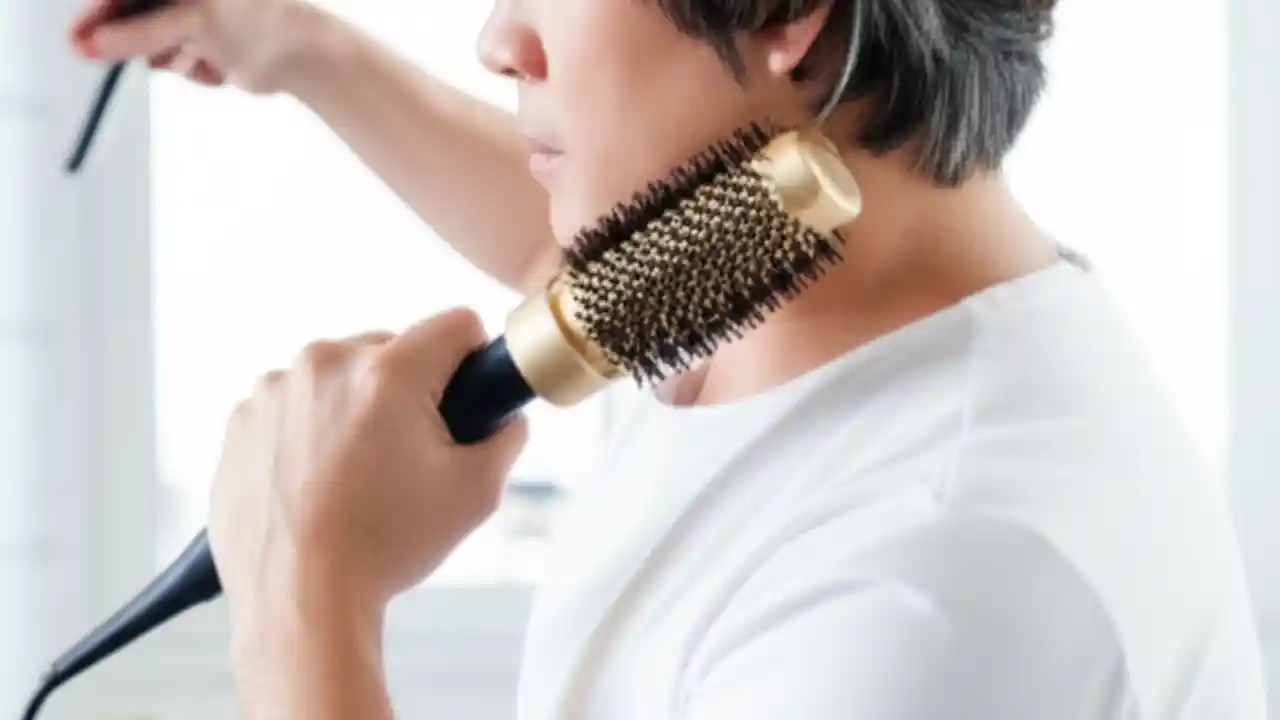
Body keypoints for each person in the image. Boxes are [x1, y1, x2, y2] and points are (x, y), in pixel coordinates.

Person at [68, 0, 1268, 718]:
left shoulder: (931, 603)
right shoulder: (808, 271)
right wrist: (295, 48)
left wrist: (303, 607)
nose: (499, 37)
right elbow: (567, 248)